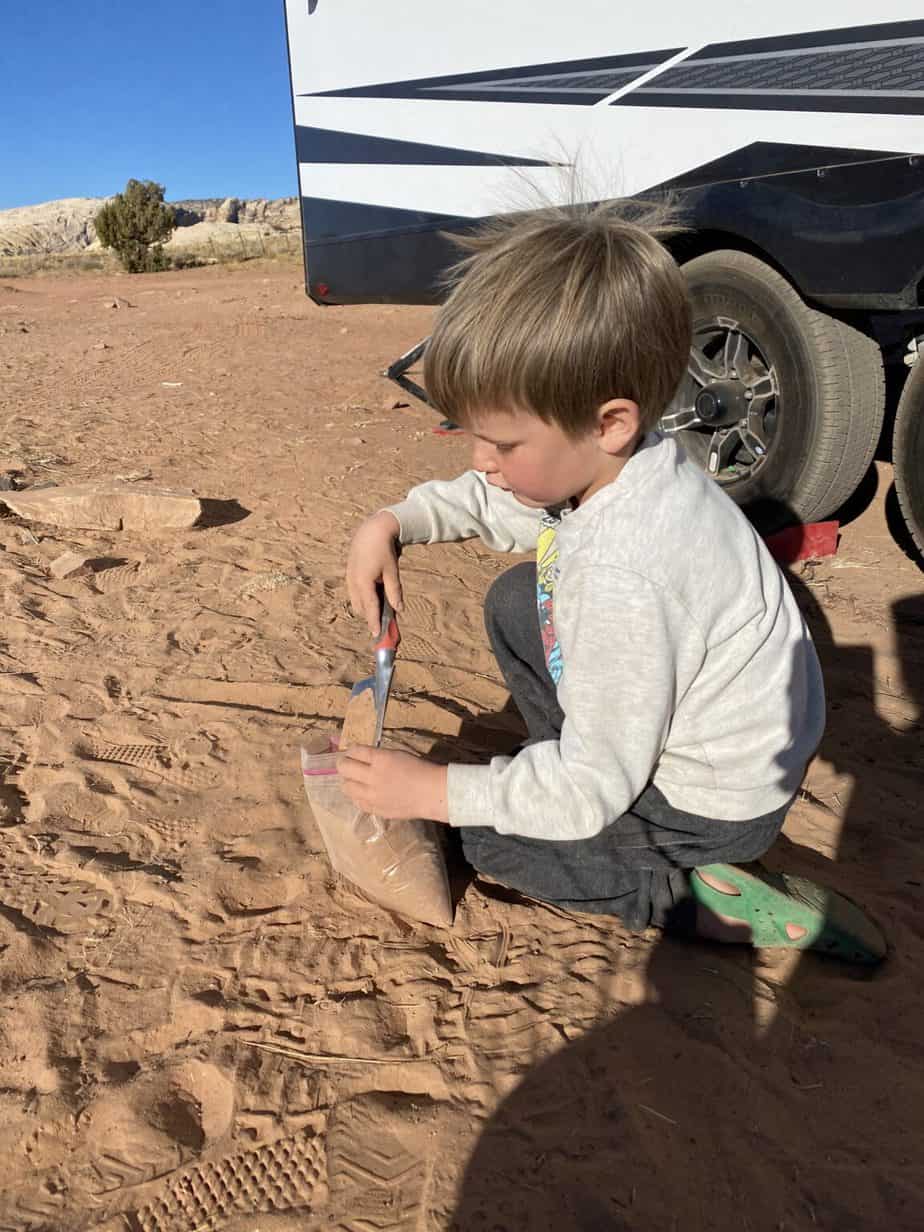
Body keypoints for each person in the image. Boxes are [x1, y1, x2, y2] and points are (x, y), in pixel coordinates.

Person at [339, 203, 884, 962]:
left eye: (499, 440)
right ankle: (571, 768)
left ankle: (692, 899)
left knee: (492, 842)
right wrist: (393, 521)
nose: (481, 458)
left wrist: (431, 793)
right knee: (513, 600)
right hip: (695, 744)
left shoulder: (624, 569)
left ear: (610, 422)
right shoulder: (630, 462)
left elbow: (591, 782)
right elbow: (507, 499)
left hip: (710, 807)